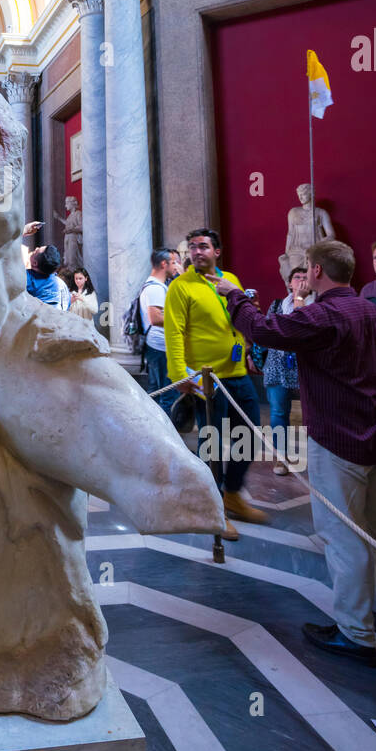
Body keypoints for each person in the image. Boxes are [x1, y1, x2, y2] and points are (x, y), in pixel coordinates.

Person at [217, 239, 376, 666]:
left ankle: (355, 633)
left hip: (338, 440)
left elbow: (264, 331)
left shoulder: (324, 314)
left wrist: (235, 297)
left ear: (315, 271)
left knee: (343, 537)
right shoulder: (369, 309)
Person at [164, 227, 267, 534]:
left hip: (236, 374)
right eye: (192, 247)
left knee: (249, 435)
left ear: (216, 252)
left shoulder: (230, 280)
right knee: (212, 444)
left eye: (203, 246)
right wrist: (179, 373)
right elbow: (174, 332)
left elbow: (238, 316)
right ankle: (211, 508)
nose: (196, 252)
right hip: (206, 378)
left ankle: (233, 494)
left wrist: (251, 318)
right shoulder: (181, 286)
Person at [253, 267, 311, 476]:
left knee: (313, 414)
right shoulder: (277, 305)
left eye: (306, 277)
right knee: (278, 413)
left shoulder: (318, 306)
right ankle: (281, 457)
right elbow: (266, 332)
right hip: (278, 367)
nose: (302, 280)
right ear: (289, 283)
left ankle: (317, 457)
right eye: (297, 277)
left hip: (307, 370)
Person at [140, 249, 178, 416]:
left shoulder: (156, 286)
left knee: (157, 389)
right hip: (160, 346)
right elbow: (155, 318)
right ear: (164, 264)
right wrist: (181, 322)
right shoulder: (155, 288)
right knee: (168, 393)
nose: (176, 266)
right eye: (174, 262)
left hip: (156, 345)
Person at [21, 223, 68, 308]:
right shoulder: (60, 284)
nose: (35, 248)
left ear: (35, 263)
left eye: (36, 251)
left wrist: (23, 231)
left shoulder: (27, 279)